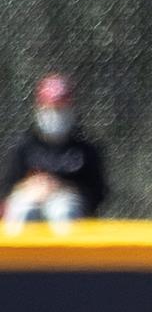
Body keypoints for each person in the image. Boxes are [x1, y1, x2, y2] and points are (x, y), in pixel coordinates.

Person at [3, 75, 107, 233]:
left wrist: (60, 187)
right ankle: (16, 259)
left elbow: (98, 194)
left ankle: (69, 258)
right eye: (49, 109)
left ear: (71, 109)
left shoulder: (84, 149)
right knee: (25, 211)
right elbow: (6, 187)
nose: (55, 115)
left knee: (63, 211)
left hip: (67, 201)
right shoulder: (24, 146)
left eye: (60, 109)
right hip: (30, 198)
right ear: (39, 109)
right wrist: (29, 187)